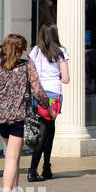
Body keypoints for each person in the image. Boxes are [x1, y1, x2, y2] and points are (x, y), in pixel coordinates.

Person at [0, 34, 51, 192]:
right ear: (21, 49)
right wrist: (48, 107)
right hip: (20, 116)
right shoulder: (27, 66)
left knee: (14, 156)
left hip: (1, 117)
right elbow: (38, 90)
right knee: (12, 157)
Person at [28, 23, 69, 183]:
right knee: (47, 132)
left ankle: (45, 167)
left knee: (46, 129)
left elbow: (30, 73)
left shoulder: (35, 51)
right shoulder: (61, 52)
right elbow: (66, 79)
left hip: (37, 92)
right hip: (53, 93)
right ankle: (36, 168)